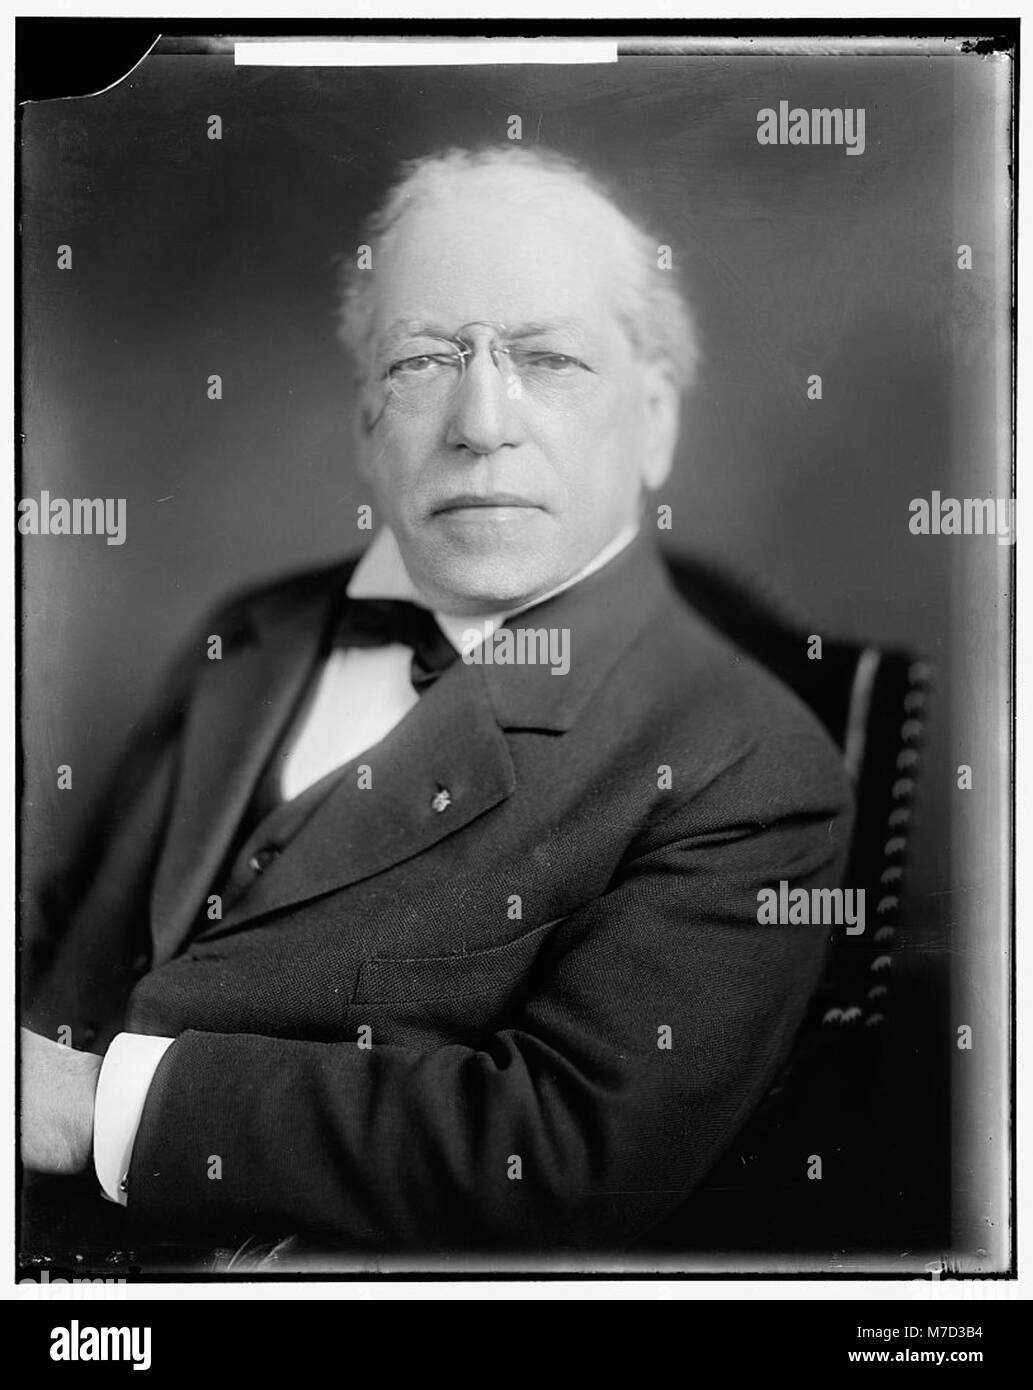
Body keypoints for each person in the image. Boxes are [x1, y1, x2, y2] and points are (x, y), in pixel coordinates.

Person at [21, 144, 853, 1263]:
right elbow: (70, 917)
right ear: (368, 418)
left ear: (653, 420)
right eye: (422, 360)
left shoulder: (749, 769)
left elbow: (562, 1155)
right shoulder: (250, 630)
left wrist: (94, 1106)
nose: (480, 421)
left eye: (548, 358)